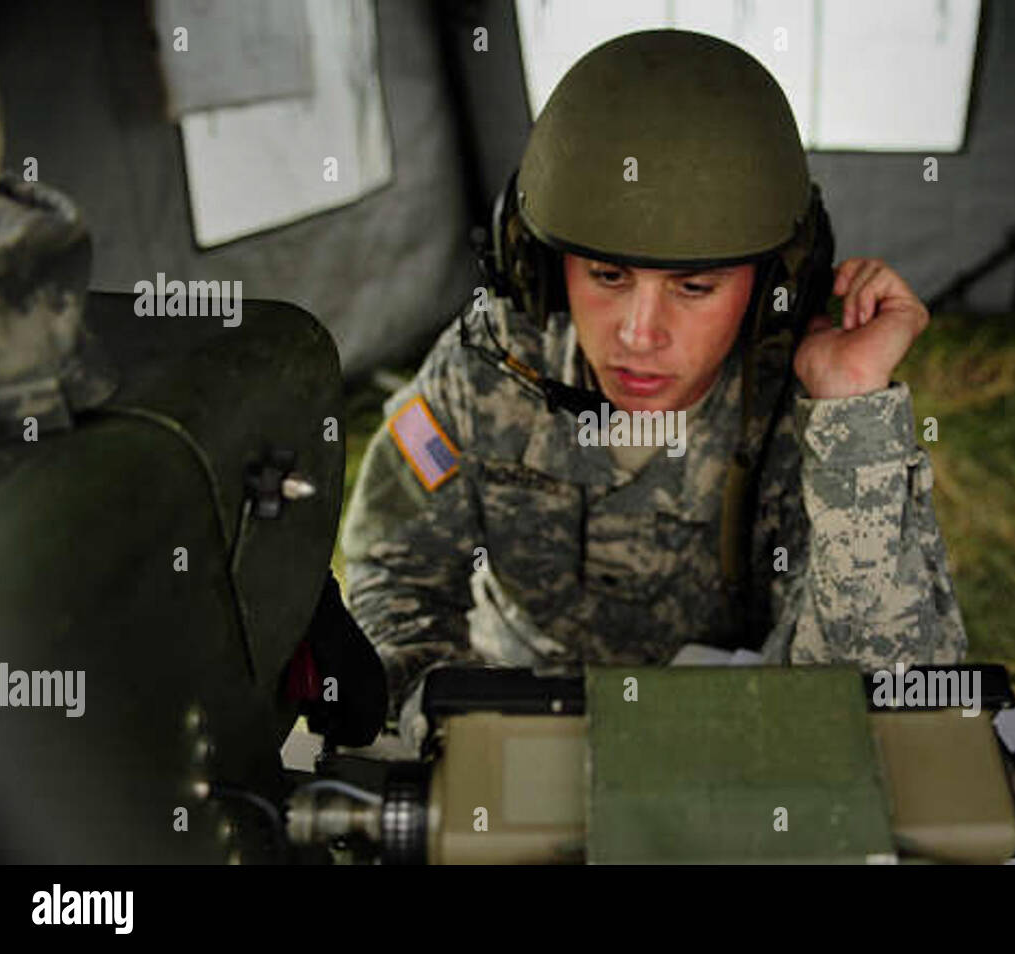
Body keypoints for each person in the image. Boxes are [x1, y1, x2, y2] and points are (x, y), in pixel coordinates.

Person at [342, 30, 966, 744]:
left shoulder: (810, 415)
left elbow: (892, 694)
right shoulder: (489, 365)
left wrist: (851, 405)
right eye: (608, 276)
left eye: (694, 288)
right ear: (540, 266)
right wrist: (452, 721)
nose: (640, 334)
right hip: (514, 717)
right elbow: (395, 576)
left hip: (731, 732)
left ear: (773, 286)